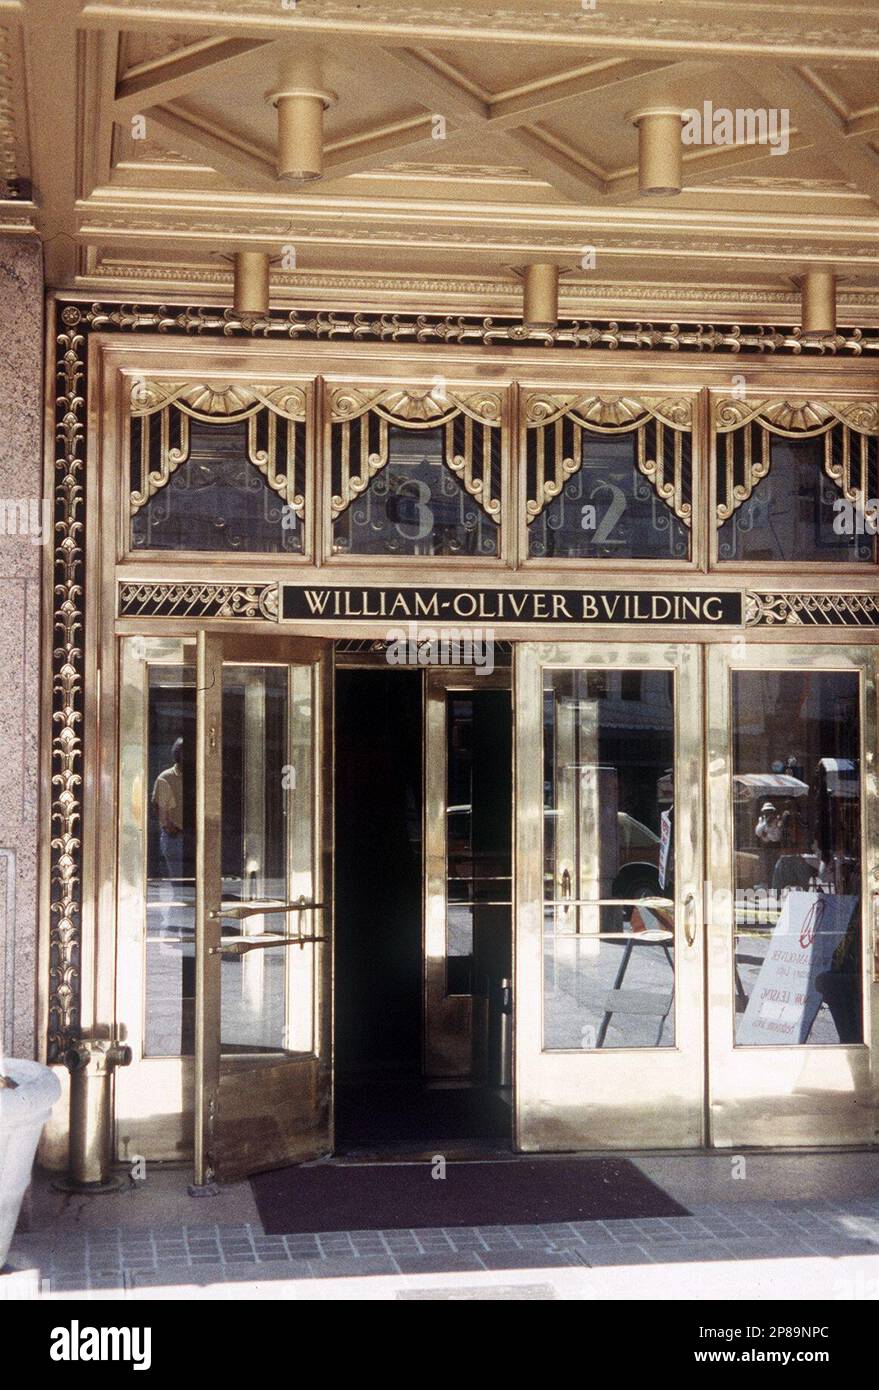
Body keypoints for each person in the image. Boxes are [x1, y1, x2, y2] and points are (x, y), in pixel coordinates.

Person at [152, 737, 184, 881]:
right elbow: (160, 809)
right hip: (176, 838)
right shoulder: (166, 778)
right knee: (179, 884)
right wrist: (172, 830)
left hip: (194, 837)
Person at [755, 800, 785, 886]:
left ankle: (776, 884)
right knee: (767, 866)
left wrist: (768, 833)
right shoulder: (762, 820)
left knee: (776, 866)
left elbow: (778, 836)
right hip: (766, 847)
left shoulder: (777, 820)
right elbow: (758, 832)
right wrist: (765, 824)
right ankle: (769, 884)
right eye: (766, 811)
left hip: (775, 846)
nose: (768, 813)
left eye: (769, 811)